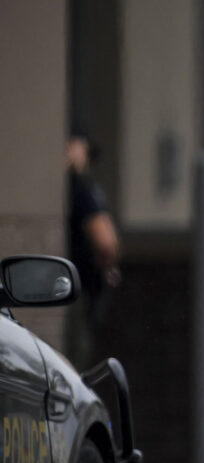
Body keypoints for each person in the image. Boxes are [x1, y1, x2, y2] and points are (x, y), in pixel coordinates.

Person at [64, 127, 121, 369]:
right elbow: (106, 242)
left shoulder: (77, 188)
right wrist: (106, 265)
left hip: (77, 287)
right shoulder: (78, 188)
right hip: (76, 289)